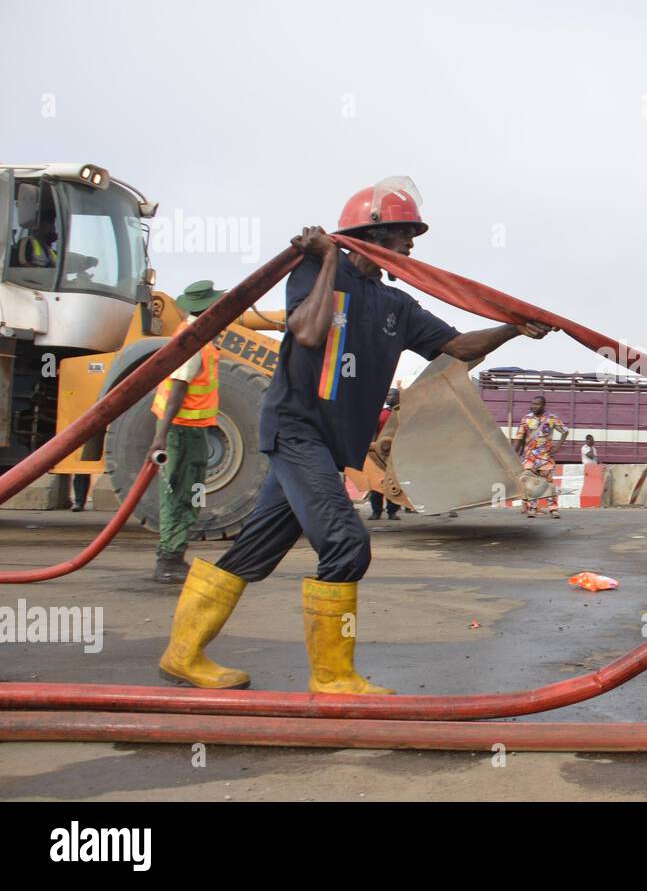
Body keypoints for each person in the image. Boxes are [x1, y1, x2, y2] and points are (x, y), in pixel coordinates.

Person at [156, 176, 553, 693]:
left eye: (412, 235)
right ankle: (333, 676)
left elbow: (456, 347)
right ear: (370, 234)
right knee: (346, 543)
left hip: (330, 444)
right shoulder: (314, 272)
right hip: (298, 432)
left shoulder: (396, 306)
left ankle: (182, 653)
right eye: (402, 235)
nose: (411, 246)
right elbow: (307, 331)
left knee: (252, 552)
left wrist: (512, 327)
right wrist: (324, 260)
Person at [145, 280, 225, 584]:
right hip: (182, 431)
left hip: (191, 429)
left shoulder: (198, 338)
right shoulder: (194, 343)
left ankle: (173, 555)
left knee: (188, 492)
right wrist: (161, 437)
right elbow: (178, 389)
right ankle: (169, 559)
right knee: (180, 493)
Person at [514, 396, 568, 518]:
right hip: (530, 457)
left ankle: (553, 509)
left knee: (548, 483)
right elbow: (519, 437)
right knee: (532, 483)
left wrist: (557, 447)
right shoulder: (526, 419)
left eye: (537, 404)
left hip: (546, 457)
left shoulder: (552, 419)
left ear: (544, 405)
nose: (534, 406)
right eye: (532, 403)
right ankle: (532, 508)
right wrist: (514, 454)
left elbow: (565, 431)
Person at [368, 387, 402, 521]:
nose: (387, 397)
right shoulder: (381, 413)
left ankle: (392, 511)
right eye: (386, 395)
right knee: (377, 482)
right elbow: (373, 430)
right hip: (380, 452)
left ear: (398, 397)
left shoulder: (402, 412)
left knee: (394, 482)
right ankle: (376, 511)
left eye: (390, 395)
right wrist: (372, 445)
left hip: (396, 453)